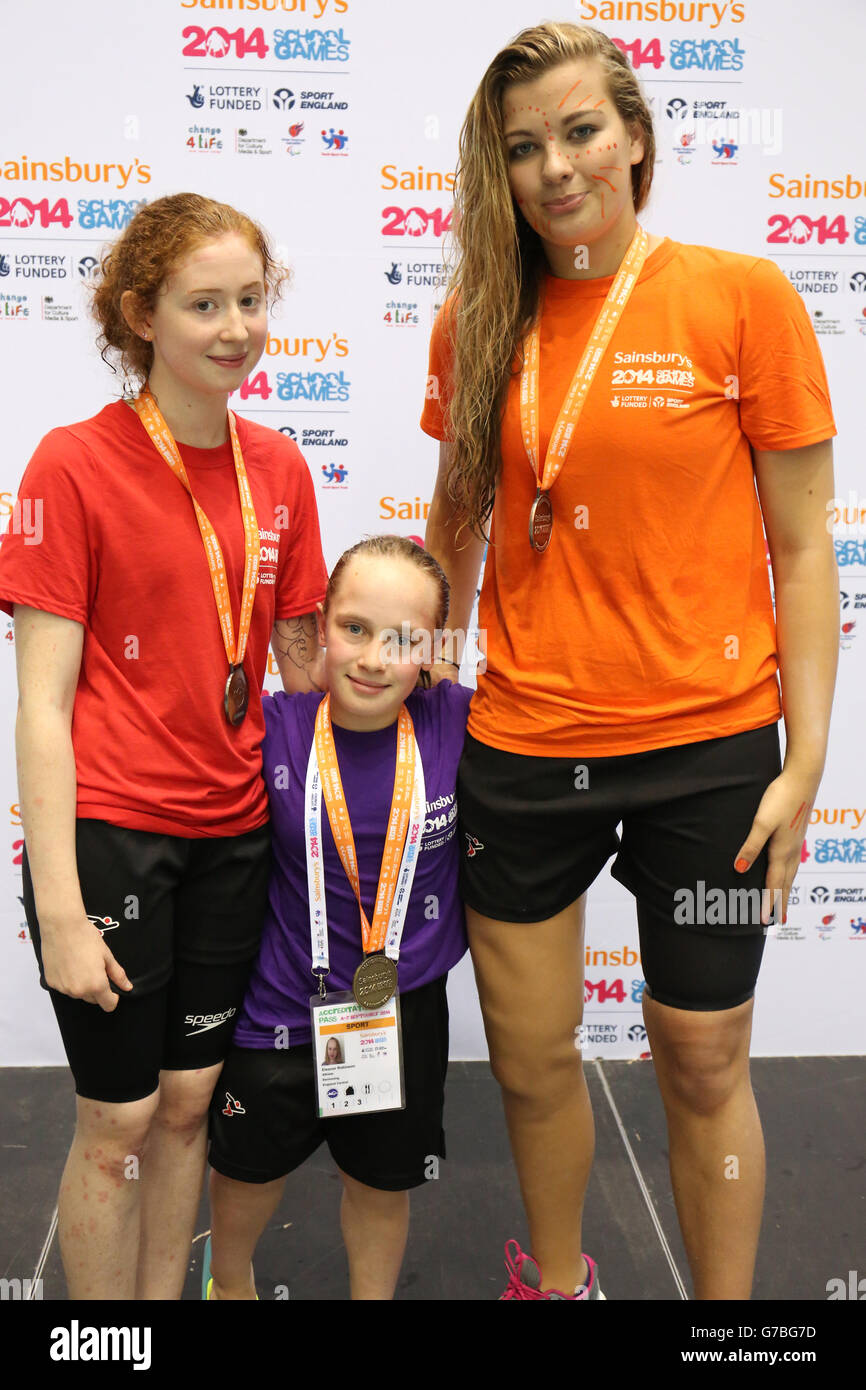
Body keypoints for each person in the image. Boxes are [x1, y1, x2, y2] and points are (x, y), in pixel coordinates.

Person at [421, 21, 838, 1301]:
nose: (553, 169)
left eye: (579, 130)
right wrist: (421, 694)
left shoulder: (739, 296)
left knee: (704, 1056)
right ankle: (555, 1281)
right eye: (521, 148)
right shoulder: (476, 320)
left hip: (707, 757)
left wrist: (804, 759)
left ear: (638, 136)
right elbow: (457, 520)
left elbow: (803, 545)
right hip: (525, 754)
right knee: (534, 1061)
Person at [0, 193, 328, 1299]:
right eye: (204, 304)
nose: (235, 327)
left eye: (250, 300)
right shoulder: (72, 465)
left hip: (234, 835)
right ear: (140, 314)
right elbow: (41, 705)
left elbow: (298, 668)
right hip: (113, 841)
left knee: (189, 1100)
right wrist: (58, 911)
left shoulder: (278, 468)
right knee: (121, 1114)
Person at [205, 535, 472, 1301]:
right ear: (321, 626)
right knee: (246, 1172)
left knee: (383, 1182)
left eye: (403, 639)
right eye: (355, 628)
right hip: (280, 1010)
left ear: (431, 651)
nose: (373, 658)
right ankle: (232, 1287)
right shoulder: (277, 726)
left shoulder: (456, 721)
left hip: (400, 1010)